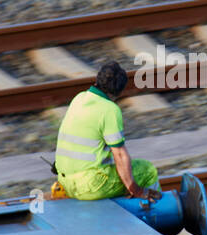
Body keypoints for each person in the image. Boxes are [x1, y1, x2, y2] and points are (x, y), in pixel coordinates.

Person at [53, 61, 161, 200]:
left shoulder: (79, 98)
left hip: (65, 183)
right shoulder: (110, 109)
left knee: (113, 169)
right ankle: (159, 212)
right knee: (147, 170)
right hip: (89, 186)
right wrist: (135, 189)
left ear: (98, 79)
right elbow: (120, 155)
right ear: (119, 91)